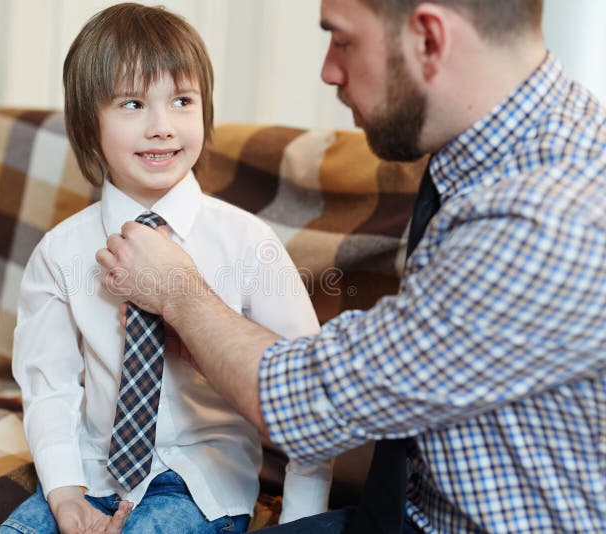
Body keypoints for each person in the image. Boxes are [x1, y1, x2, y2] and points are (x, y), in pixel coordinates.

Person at [96, 0, 606, 532]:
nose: (327, 71)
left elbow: (316, 399)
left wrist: (178, 292)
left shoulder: (545, 220)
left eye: (341, 40)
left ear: (429, 39)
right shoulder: (492, 154)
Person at [0, 4, 332, 534]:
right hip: (92, 471)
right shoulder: (61, 251)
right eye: (132, 103)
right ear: (89, 124)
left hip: (203, 480)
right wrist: (64, 494)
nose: (162, 127)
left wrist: (303, 520)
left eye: (181, 101)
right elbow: (50, 386)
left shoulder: (248, 243)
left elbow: (313, 386)